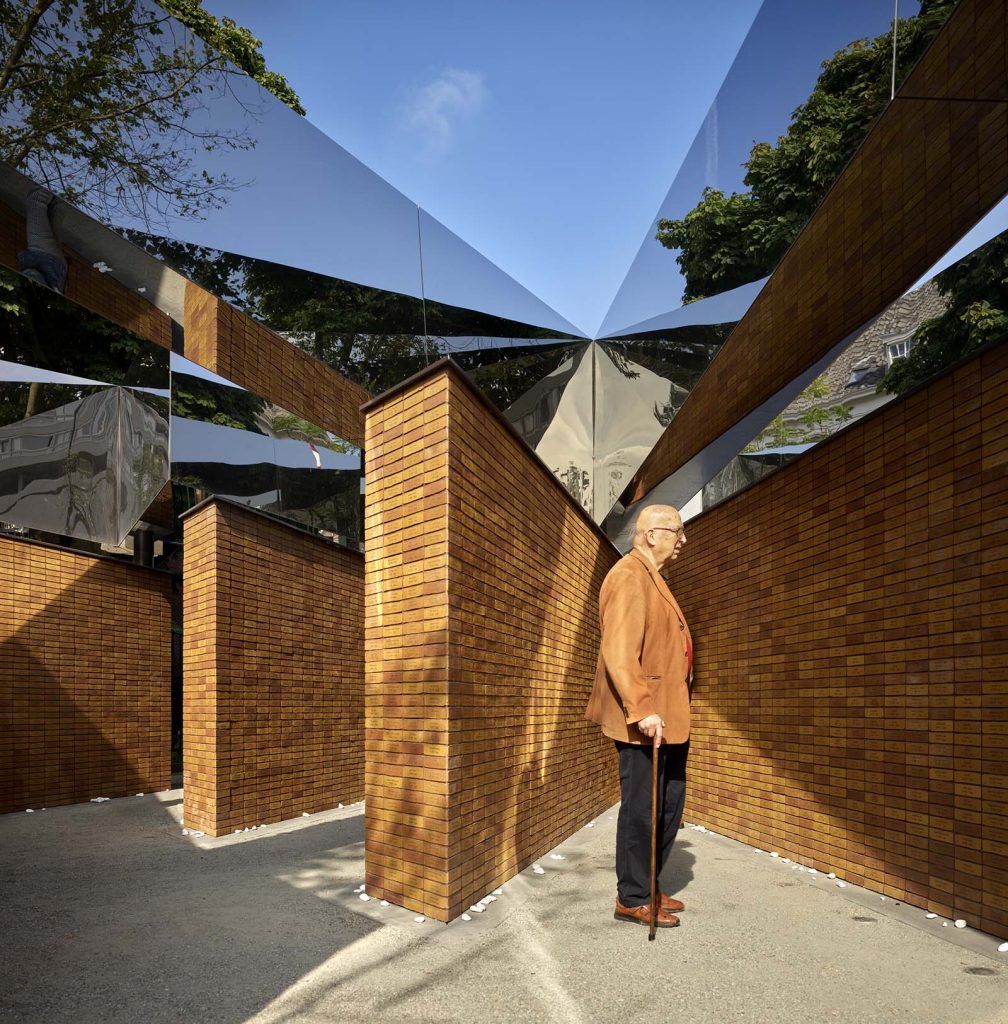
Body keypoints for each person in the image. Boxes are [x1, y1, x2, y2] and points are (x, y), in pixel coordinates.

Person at [585, 504, 692, 927]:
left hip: (669, 717)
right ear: (651, 534)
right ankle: (631, 896)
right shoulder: (628, 576)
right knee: (642, 810)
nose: (683, 539)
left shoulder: (653, 578)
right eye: (677, 531)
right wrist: (643, 707)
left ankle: (647, 885)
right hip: (645, 720)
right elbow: (619, 650)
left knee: (669, 802)